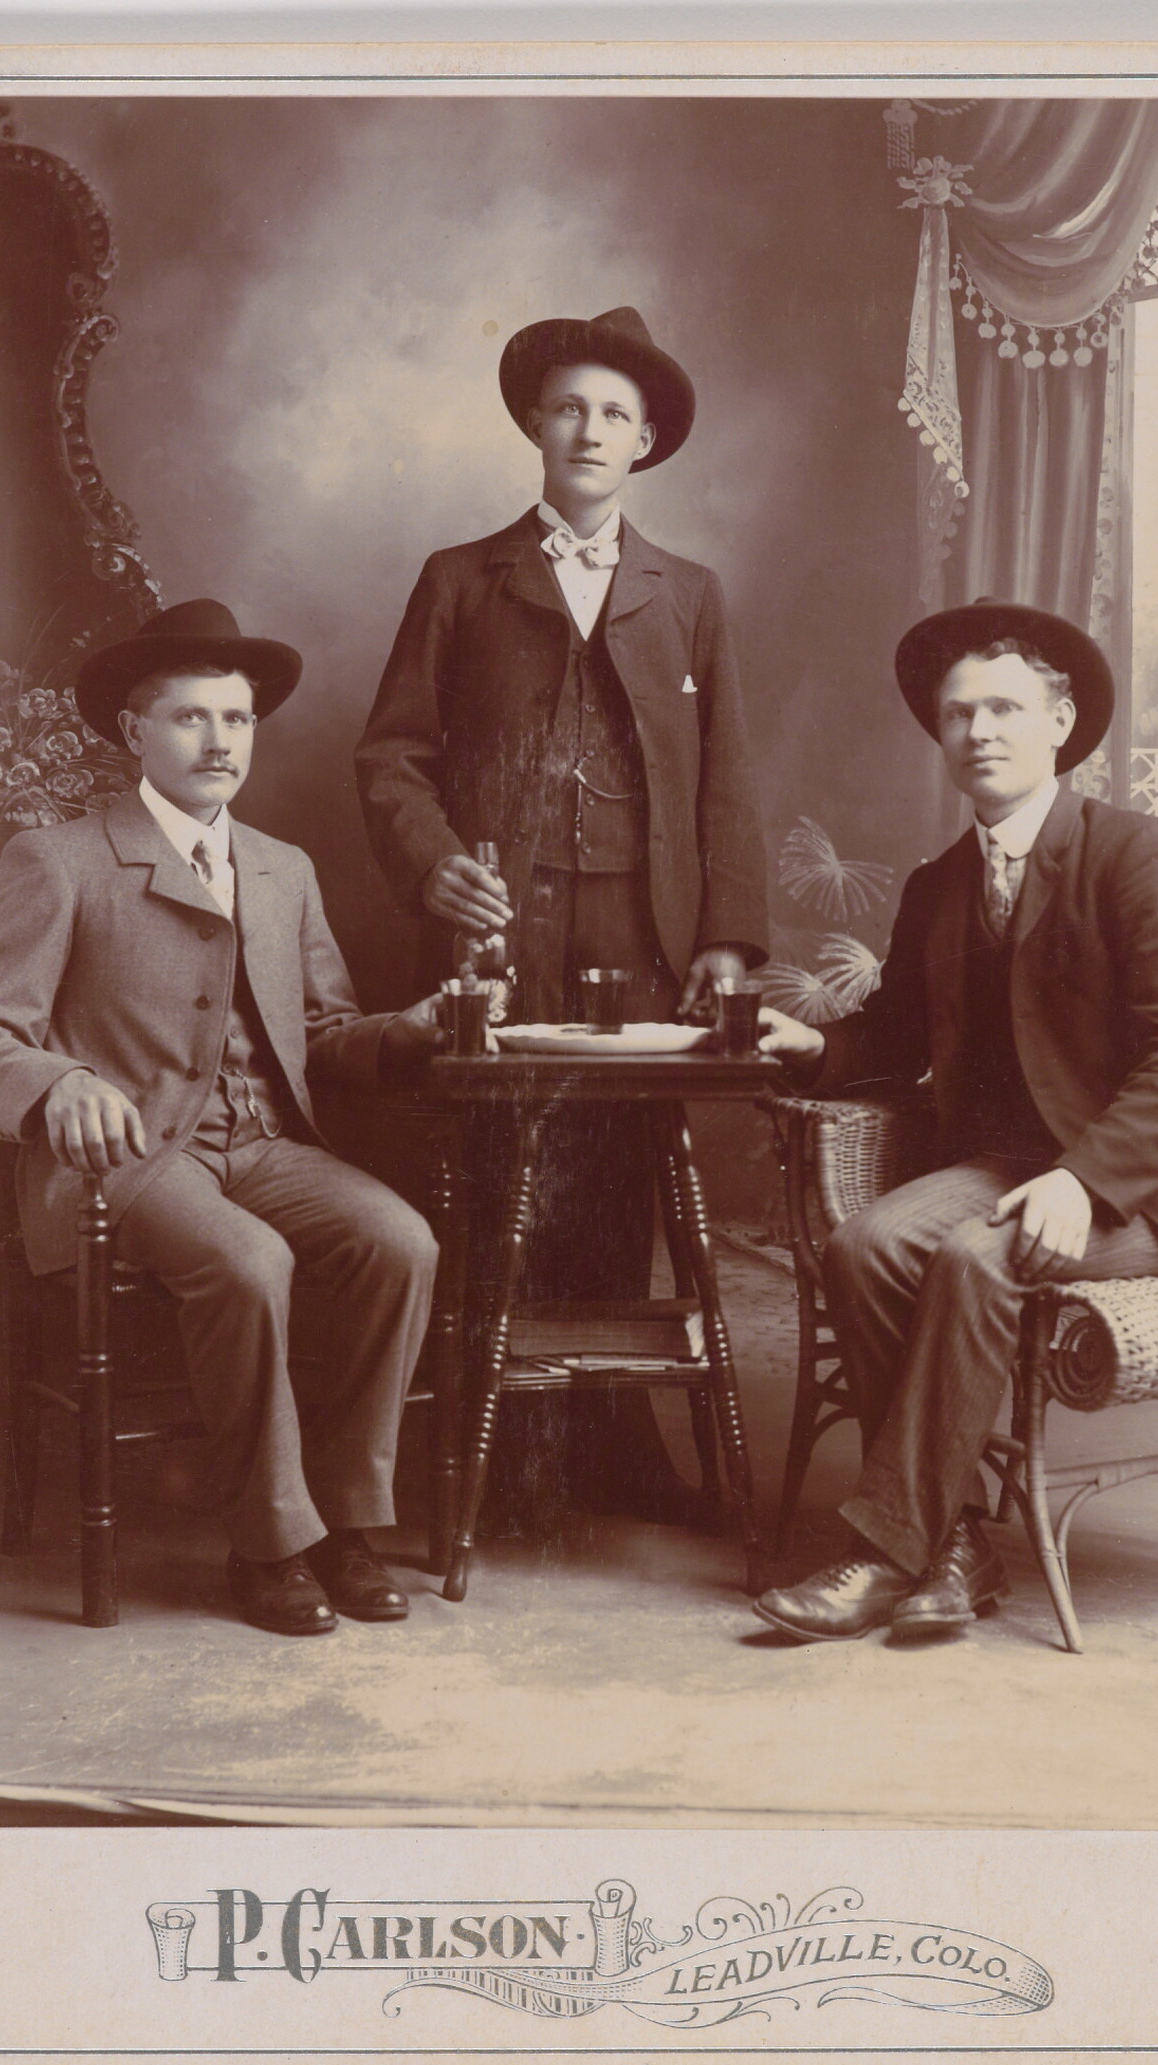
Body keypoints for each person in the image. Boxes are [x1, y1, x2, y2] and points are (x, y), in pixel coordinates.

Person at [356, 307, 768, 1530]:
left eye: (614, 414)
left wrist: (726, 939)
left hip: (642, 945)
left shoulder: (685, 593)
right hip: (502, 938)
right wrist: (433, 867)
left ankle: (617, 1443)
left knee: (620, 1186)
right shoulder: (458, 579)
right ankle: (492, 1452)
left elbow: (726, 781)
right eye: (569, 407)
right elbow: (391, 756)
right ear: (534, 424)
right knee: (498, 1184)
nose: (589, 429)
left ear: (644, 445)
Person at [754, 599, 1158, 1645]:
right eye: (957, 713)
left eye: (1003, 707)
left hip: (1152, 1183)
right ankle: (955, 1543)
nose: (977, 732)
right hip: (1012, 1160)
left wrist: (1084, 1180)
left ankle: (883, 1554)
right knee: (866, 1245)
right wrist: (816, 1048)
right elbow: (895, 1031)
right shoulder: (937, 887)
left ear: (1059, 723)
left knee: (972, 1260)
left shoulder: (1137, 857)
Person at [0, 600, 443, 1637]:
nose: (218, 741)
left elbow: (323, 1033)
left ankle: (346, 1525)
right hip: (128, 1159)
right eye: (189, 719)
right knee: (248, 1264)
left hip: (263, 1146)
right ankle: (269, 1543)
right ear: (133, 733)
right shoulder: (59, 859)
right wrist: (60, 1086)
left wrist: (409, 1028)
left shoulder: (282, 869)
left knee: (398, 1242)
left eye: (234, 720)